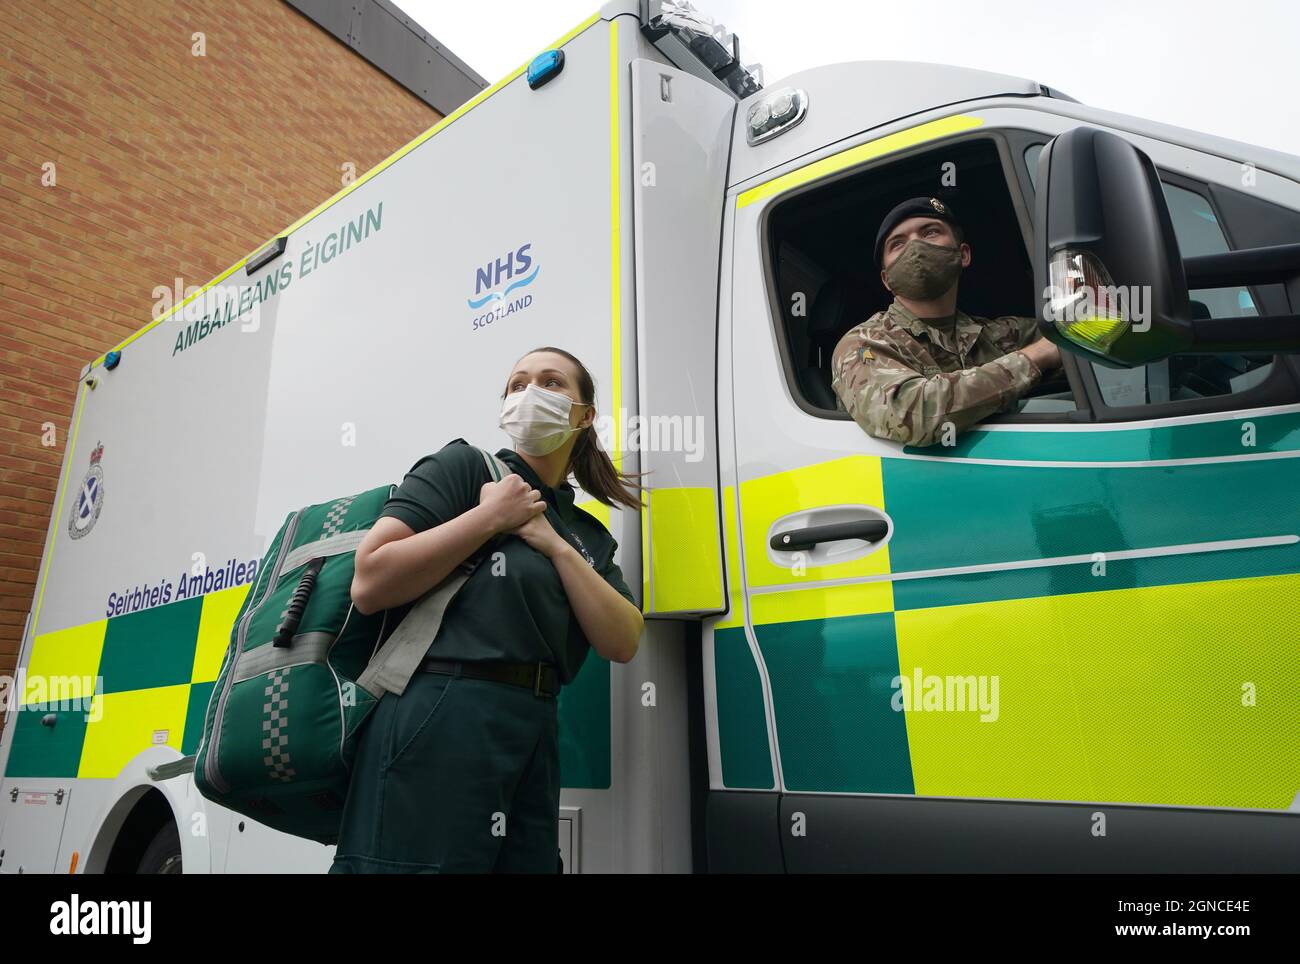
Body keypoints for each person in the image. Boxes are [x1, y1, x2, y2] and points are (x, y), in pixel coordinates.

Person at [329, 346, 645, 873]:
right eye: (517, 384)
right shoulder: (463, 468)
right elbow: (370, 579)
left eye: (550, 382)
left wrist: (556, 547)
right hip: (442, 707)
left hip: (534, 724)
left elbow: (623, 640)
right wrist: (489, 517)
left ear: (585, 416)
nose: (530, 393)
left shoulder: (587, 535)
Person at [830, 196, 1063, 447]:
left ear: (962, 254)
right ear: (887, 280)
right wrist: (1035, 357)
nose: (915, 248)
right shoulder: (863, 344)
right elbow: (912, 414)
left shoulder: (1000, 333)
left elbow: (1082, 334)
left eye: (930, 232)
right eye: (898, 244)